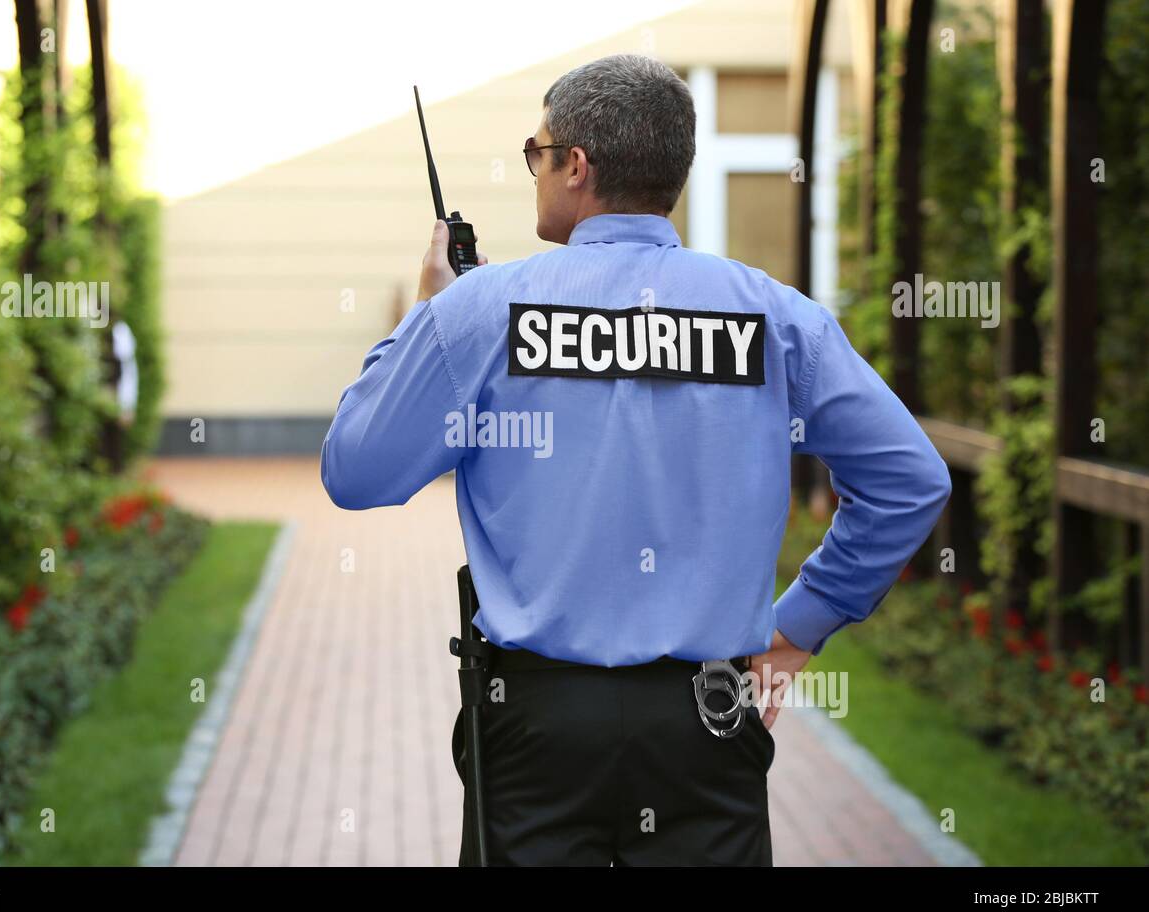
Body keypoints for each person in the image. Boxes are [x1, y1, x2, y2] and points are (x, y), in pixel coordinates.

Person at [320, 54, 952, 866]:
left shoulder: (480, 312)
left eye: (537, 154)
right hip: (708, 721)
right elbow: (910, 480)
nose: (535, 173)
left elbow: (355, 469)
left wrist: (429, 315)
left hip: (536, 727)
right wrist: (800, 627)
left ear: (576, 167)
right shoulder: (774, 316)